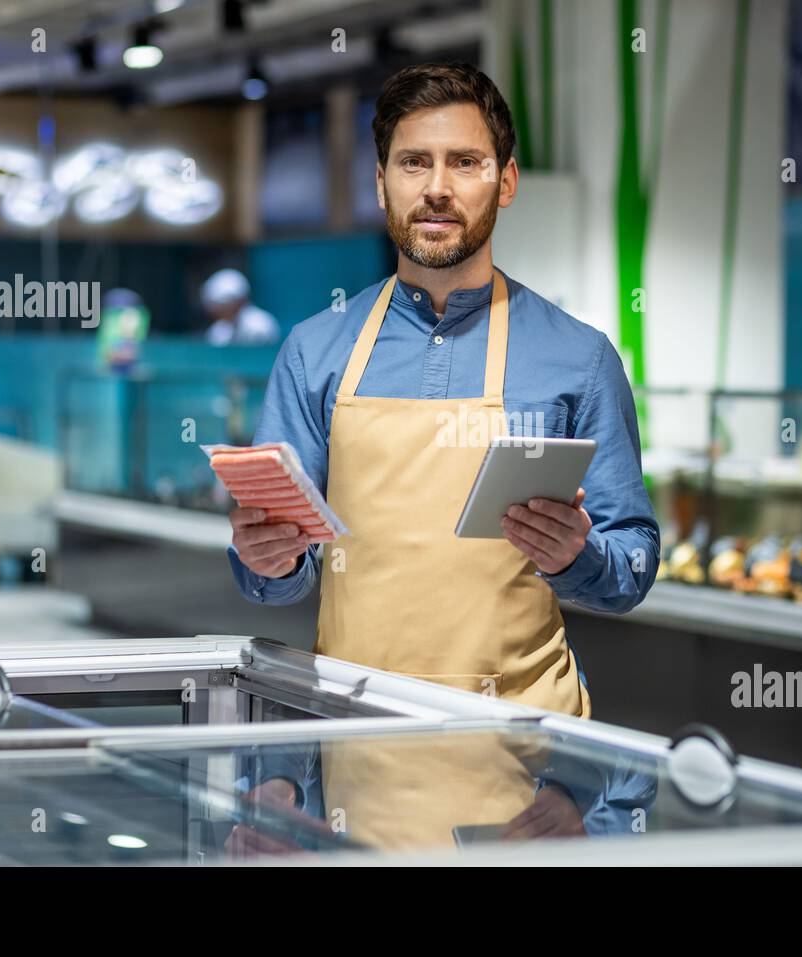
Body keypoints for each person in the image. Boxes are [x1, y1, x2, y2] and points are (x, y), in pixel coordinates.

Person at [225, 62, 659, 850]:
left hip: (530, 771)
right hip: (357, 749)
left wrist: (580, 555)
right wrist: (266, 556)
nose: (437, 186)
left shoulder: (579, 357)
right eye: (413, 162)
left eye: (465, 162)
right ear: (382, 183)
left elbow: (633, 562)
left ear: (508, 180)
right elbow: (270, 572)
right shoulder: (315, 352)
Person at [202, 269, 280, 346]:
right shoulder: (217, 330)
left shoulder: (260, 325)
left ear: (240, 301)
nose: (216, 310)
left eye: (223, 304)